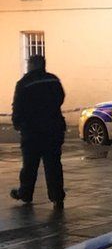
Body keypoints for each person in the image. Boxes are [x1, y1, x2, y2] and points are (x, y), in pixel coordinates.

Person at [10, 55, 66, 209]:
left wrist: (17, 123)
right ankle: (57, 197)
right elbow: (61, 98)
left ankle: (25, 193)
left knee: (30, 164)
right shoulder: (53, 80)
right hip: (54, 128)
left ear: (33, 65)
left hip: (32, 130)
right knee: (53, 164)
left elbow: (18, 105)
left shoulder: (24, 83)